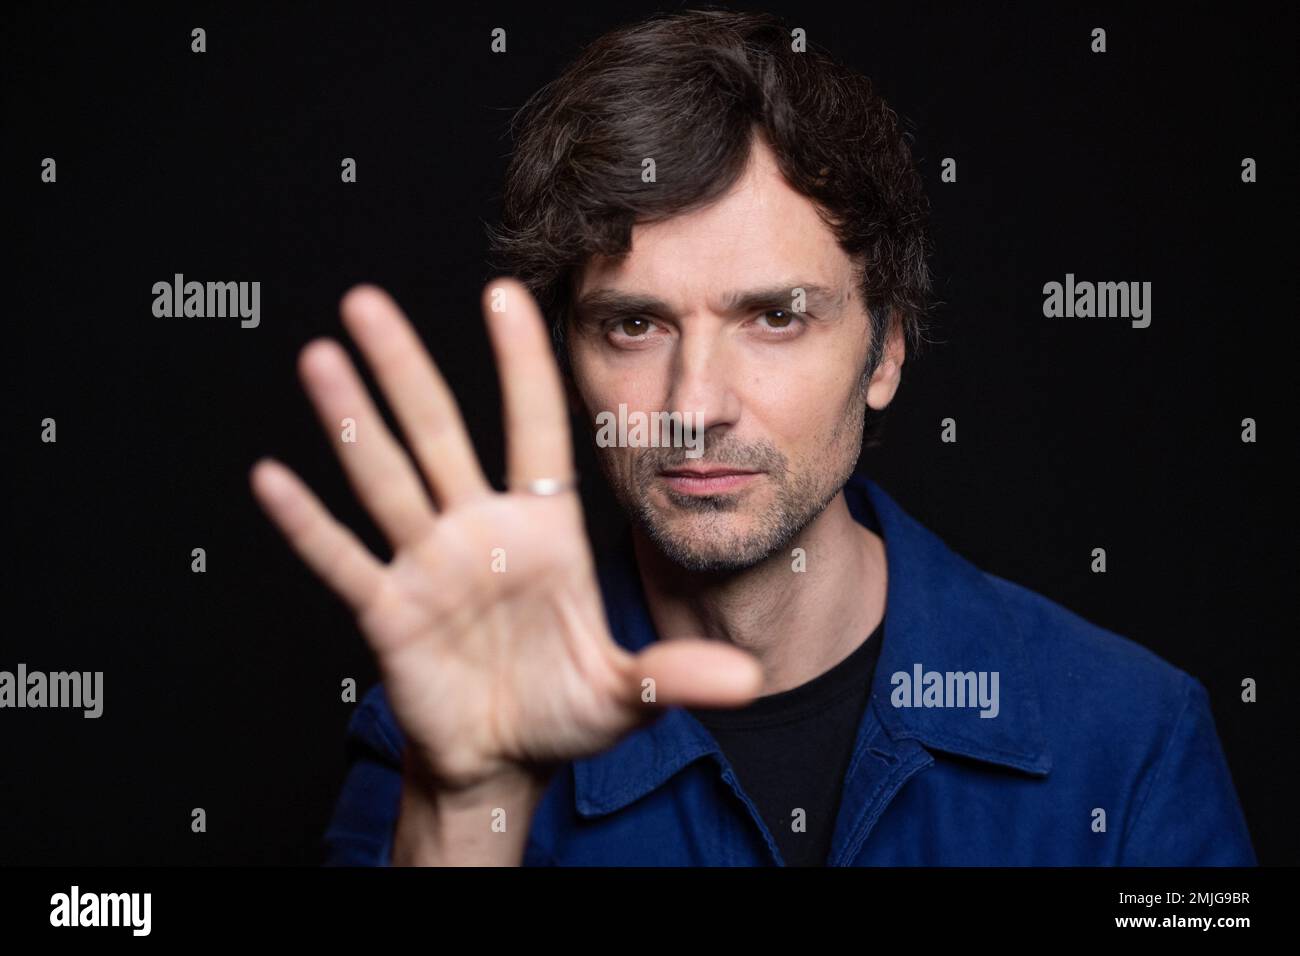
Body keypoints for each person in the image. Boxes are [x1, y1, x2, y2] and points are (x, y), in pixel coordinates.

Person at [249, 9, 1255, 866]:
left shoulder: (1126, 741)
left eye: (775, 316)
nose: (696, 402)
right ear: (568, 353)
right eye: (633, 323)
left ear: (887, 349)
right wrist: (465, 803)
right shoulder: (434, 727)